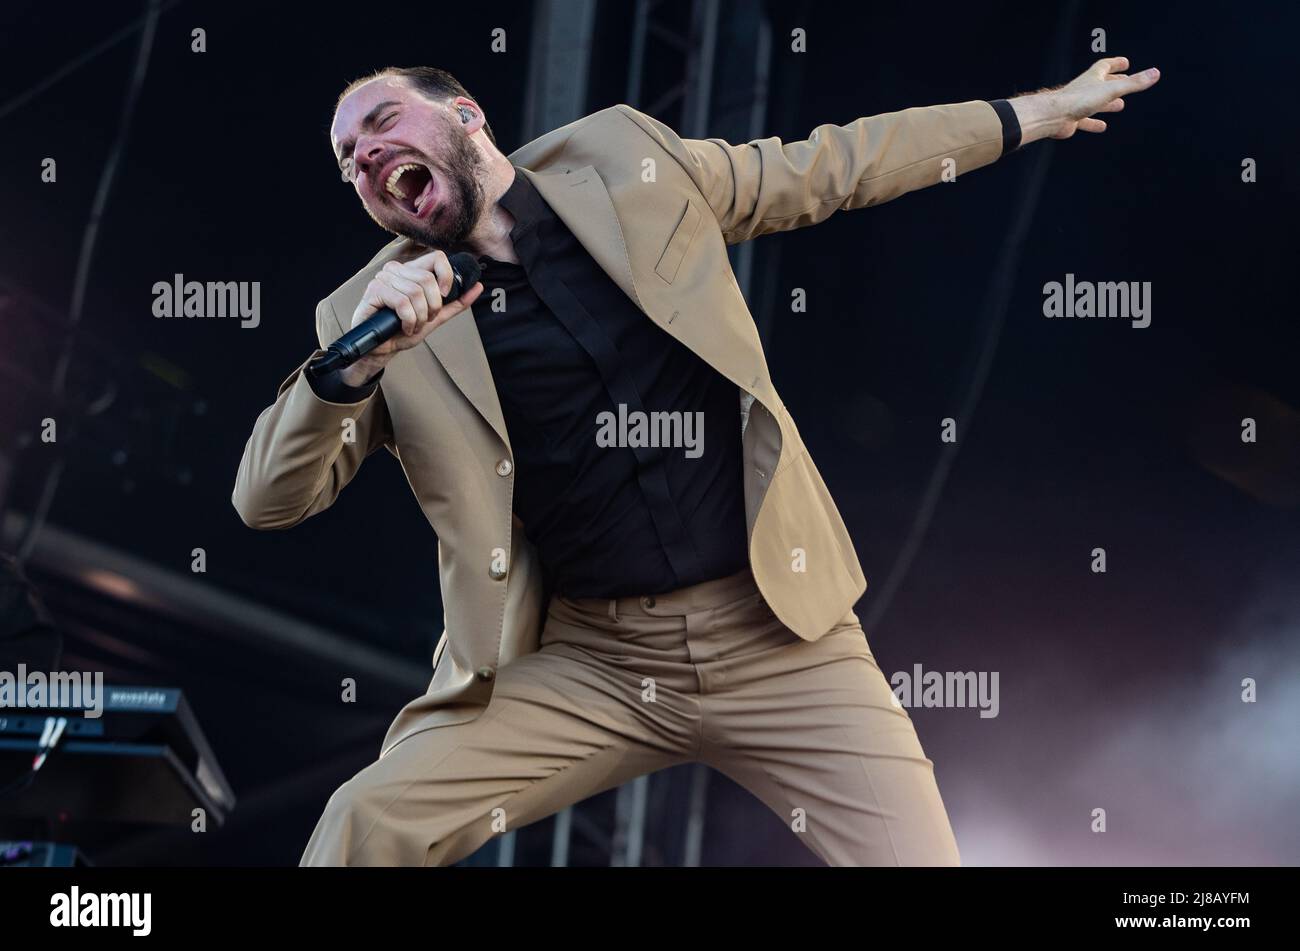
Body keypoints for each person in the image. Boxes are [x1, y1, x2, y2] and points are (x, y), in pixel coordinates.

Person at [233, 57, 1160, 865]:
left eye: (381, 123)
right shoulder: (367, 316)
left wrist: (1030, 113)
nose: (363, 157)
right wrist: (352, 366)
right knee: (368, 818)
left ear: (465, 115)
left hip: (782, 641)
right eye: (347, 160)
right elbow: (269, 502)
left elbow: (833, 166)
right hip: (591, 664)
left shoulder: (624, 161)